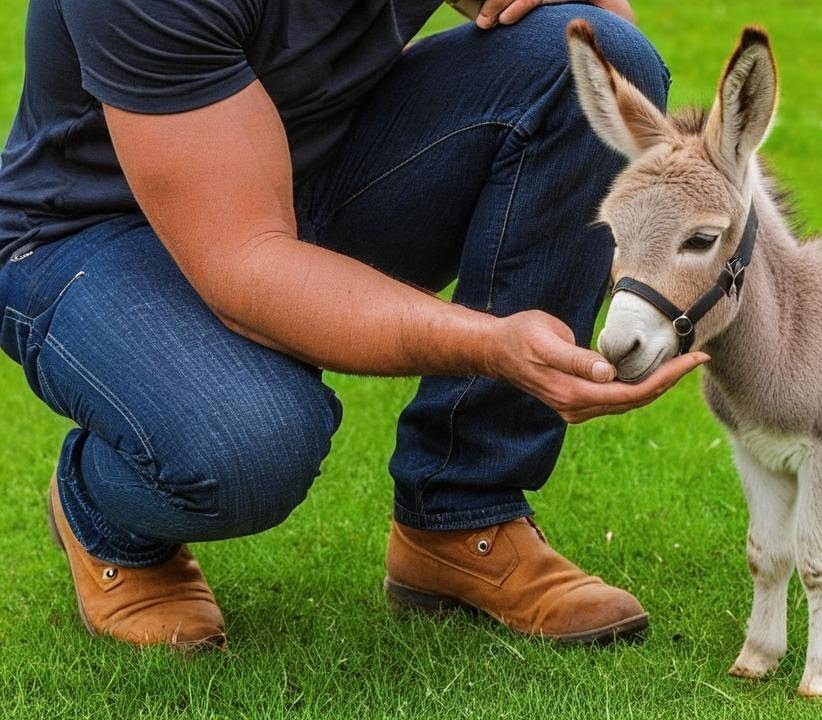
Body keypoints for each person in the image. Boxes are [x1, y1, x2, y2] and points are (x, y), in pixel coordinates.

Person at [0, 0, 707, 649]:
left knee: (599, 59)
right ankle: (105, 517)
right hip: (89, 230)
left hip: (312, 167)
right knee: (248, 442)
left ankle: (464, 514)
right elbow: (246, 264)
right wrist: (490, 345)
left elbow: (605, 28)